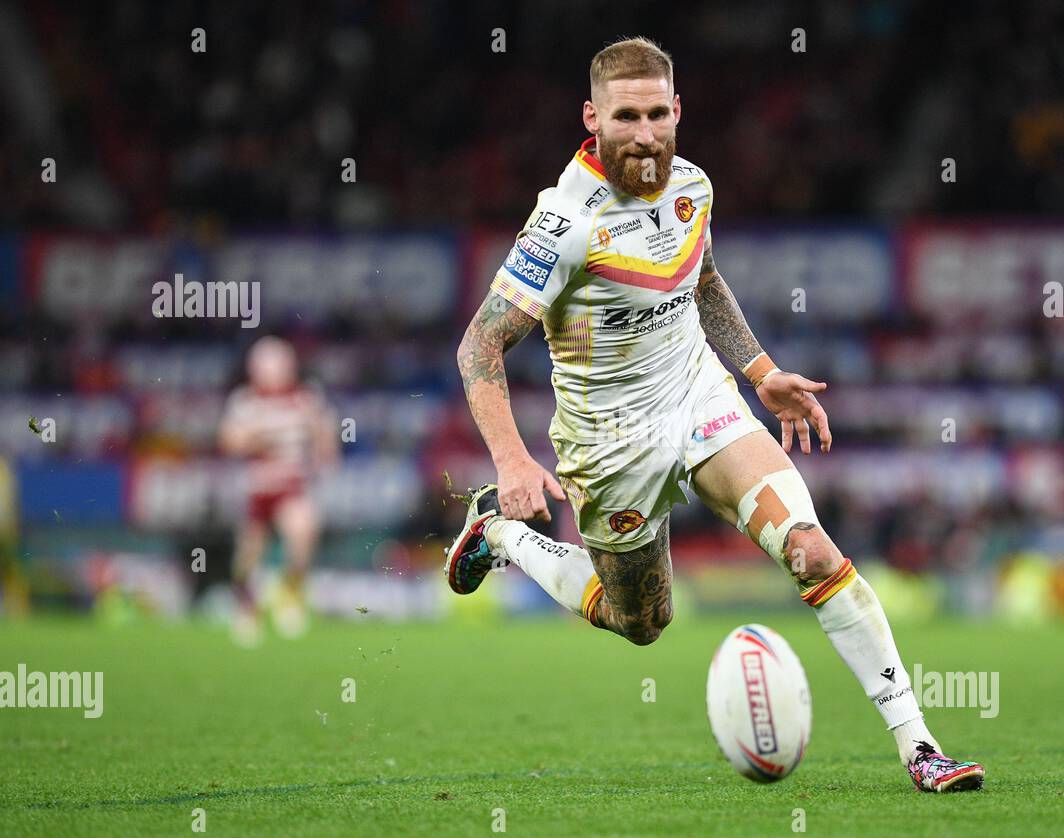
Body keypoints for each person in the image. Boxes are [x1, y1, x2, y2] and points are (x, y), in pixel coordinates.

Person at [445, 37, 983, 792]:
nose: (644, 133)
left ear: (677, 111)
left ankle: (921, 746)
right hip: (610, 442)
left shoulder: (691, 185)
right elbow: (479, 347)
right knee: (639, 623)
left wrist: (760, 372)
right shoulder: (564, 222)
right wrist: (509, 462)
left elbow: (703, 280)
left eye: (658, 113)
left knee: (812, 552)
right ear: (592, 117)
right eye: (626, 116)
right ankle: (498, 531)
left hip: (699, 400)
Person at [219, 336, 337, 644]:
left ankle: (290, 596)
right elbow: (229, 441)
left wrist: (326, 456)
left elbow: (324, 431)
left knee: (303, 533)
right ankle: (247, 608)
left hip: (291, 485)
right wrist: (260, 437)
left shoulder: (305, 398)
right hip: (255, 489)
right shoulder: (245, 401)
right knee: (248, 556)